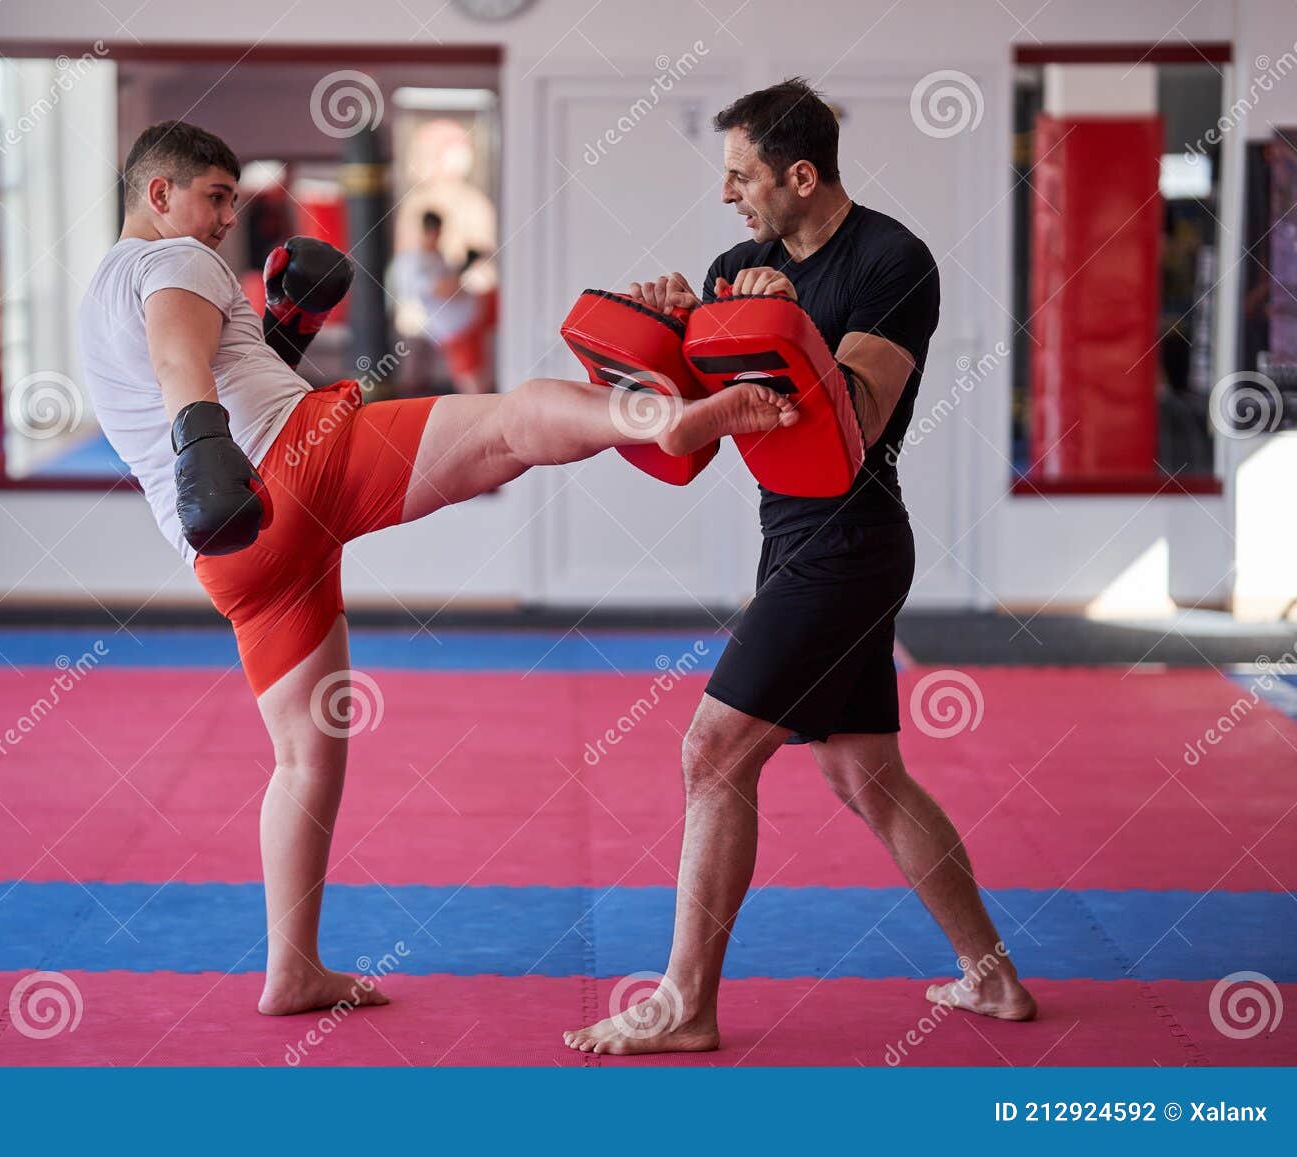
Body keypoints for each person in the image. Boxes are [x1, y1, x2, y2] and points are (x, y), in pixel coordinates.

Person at [77, 120, 798, 1016]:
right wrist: (202, 444)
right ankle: (663, 419)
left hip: (231, 555)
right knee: (502, 421)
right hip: (290, 464)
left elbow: (206, 367)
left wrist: (280, 336)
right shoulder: (176, 261)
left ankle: (292, 969)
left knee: (305, 757)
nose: (228, 217)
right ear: (159, 195)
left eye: (231, 198)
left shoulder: (99, 292)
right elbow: (179, 363)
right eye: (215, 197)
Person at [564, 79, 1038, 1055]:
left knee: (710, 751)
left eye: (742, 176)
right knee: (866, 770)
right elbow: (695, 433)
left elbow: (854, 422)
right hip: (790, 542)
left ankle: (685, 1002)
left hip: (853, 543)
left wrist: (791, 327)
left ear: (800, 175)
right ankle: (992, 979)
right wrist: (664, 329)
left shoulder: (890, 260)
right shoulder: (737, 264)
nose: (728, 195)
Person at [397, 210, 497, 394]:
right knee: (471, 383)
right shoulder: (415, 263)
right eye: (434, 232)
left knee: (482, 374)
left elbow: (453, 283)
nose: (437, 236)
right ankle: (476, 418)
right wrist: (467, 265)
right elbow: (444, 290)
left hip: (471, 314)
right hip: (455, 327)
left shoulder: (436, 256)